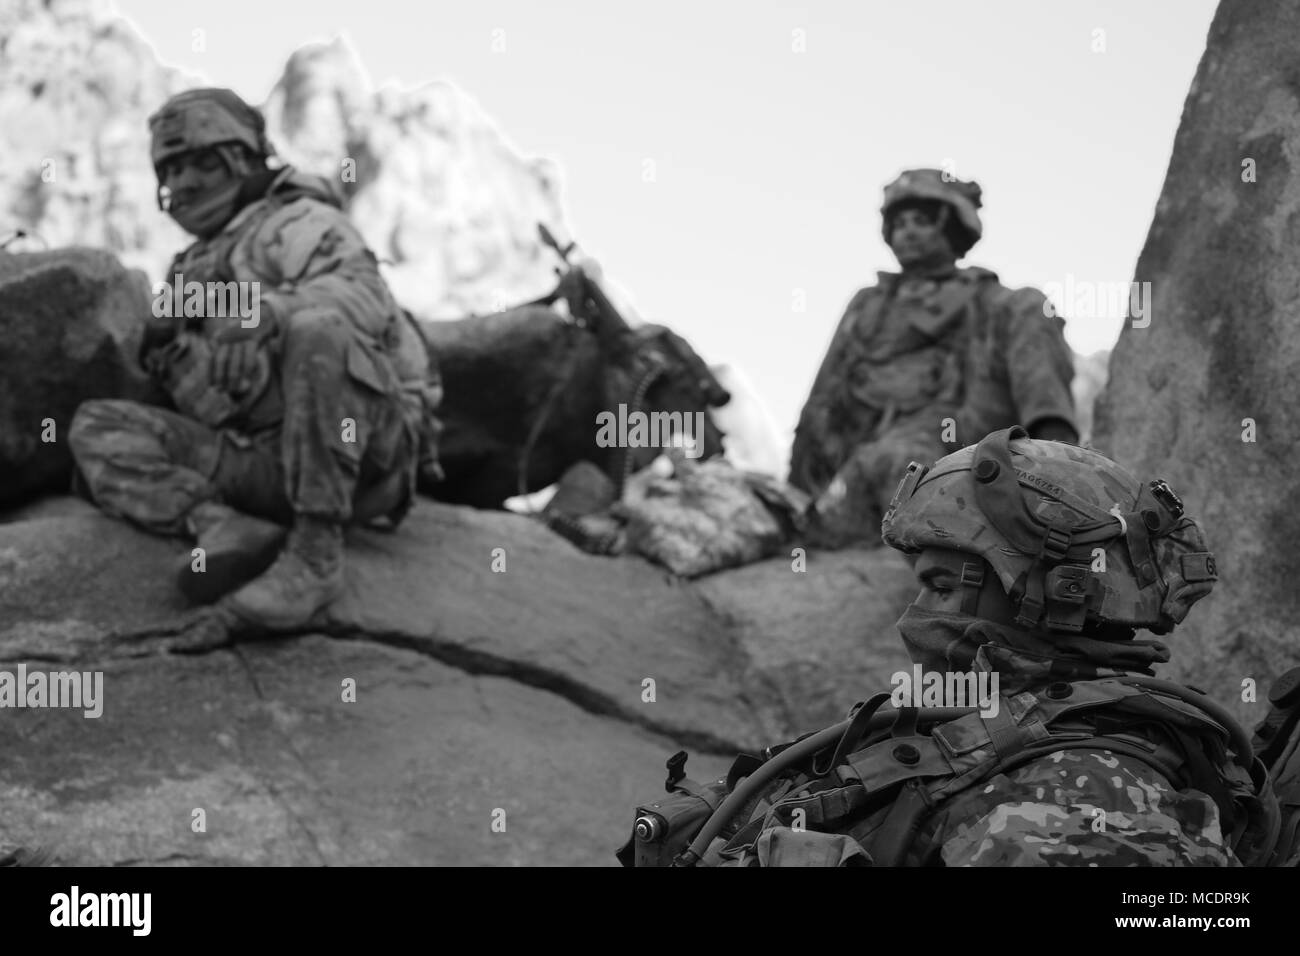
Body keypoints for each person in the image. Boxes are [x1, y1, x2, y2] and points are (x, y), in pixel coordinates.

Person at [620, 428, 1282, 867]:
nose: (915, 618)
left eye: (942, 585)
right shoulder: (971, 732)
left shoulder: (1088, 791)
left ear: (1059, 591)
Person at [68, 88, 440, 630]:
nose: (182, 183)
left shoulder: (295, 221)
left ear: (241, 160)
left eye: (199, 163)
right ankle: (220, 525)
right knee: (96, 426)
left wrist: (268, 313)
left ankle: (315, 557)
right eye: (169, 170)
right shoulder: (187, 268)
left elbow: (362, 294)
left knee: (318, 330)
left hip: (362, 454)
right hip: (259, 461)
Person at [790, 168, 1077, 547]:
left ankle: (1055, 463)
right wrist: (796, 488)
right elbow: (823, 395)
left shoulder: (987, 299)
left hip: (962, 440)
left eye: (922, 222)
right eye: (900, 223)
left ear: (950, 228)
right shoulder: (870, 302)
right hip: (871, 448)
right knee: (880, 473)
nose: (908, 231)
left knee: (1031, 304)